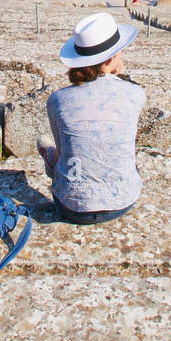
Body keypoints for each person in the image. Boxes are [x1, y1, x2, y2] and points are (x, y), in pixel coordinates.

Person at [37, 12, 144, 226]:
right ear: (111, 58)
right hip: (123, 199)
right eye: (119, 51)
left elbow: (65, 149)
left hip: (71, 205)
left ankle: (49, 159)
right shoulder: (136, 94)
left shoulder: (57, 100)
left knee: (52, 147)